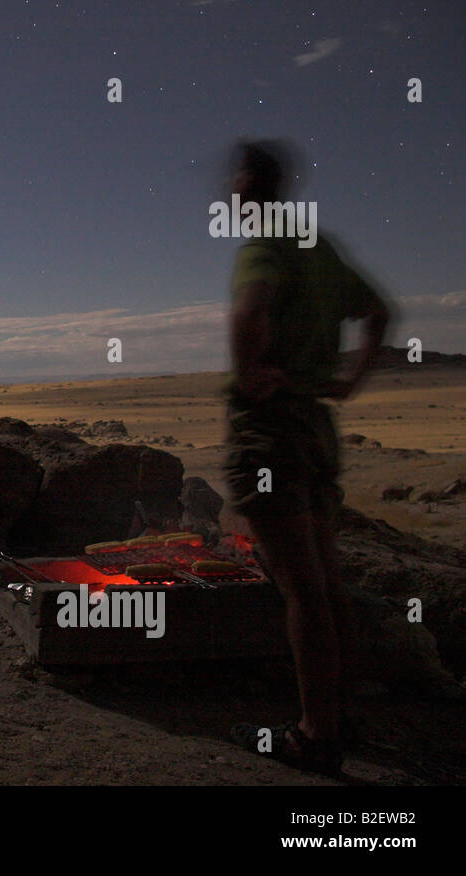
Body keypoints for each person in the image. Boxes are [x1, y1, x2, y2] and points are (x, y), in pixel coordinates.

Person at [223, 140, 392, 775]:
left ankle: (314, 736)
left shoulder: (264, 243)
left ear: (249, 186)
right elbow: (379, 312)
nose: (228, 195)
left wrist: (248, 371)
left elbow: (250, 310)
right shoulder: (316, 246)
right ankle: (342, 716)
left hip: (272, 431)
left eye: (235, 182)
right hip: (316, 428)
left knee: (301, 591)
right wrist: (350, 379)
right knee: (326, 583)